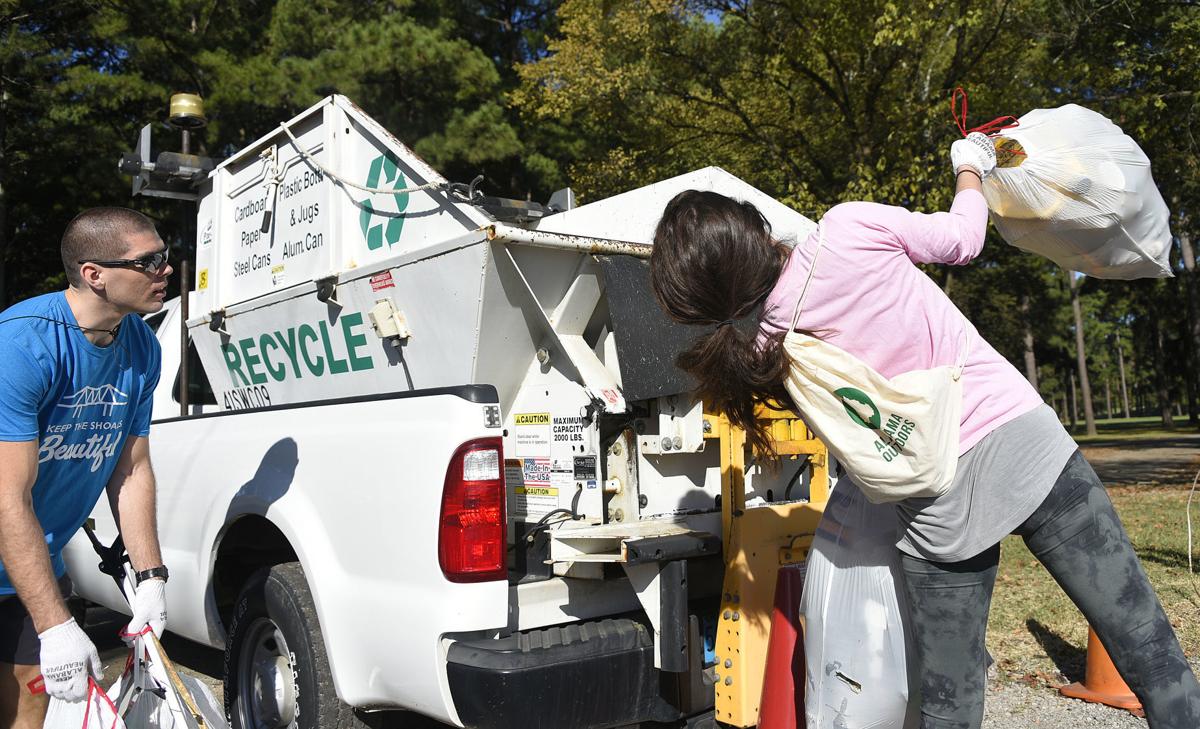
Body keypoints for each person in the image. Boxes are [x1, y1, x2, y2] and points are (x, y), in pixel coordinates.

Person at [648, 136, 1200, 728]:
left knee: (948, 701)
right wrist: (971, 166)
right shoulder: (847, 229)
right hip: (1022, 442)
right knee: (1146, 646)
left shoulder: (762, 355)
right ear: (753, 229)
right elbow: (963, 240)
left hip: (934, 501)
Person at [0, 207, 171, 727]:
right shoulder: (21, 344)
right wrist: (56, 626)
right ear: (94, 274)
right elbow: (7, 495)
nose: (166, 269)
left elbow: (133, 468)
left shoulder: (142, 345)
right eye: (149, 261)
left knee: (29, 713)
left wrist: (151, 577)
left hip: (30, 570)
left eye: (166, 257)